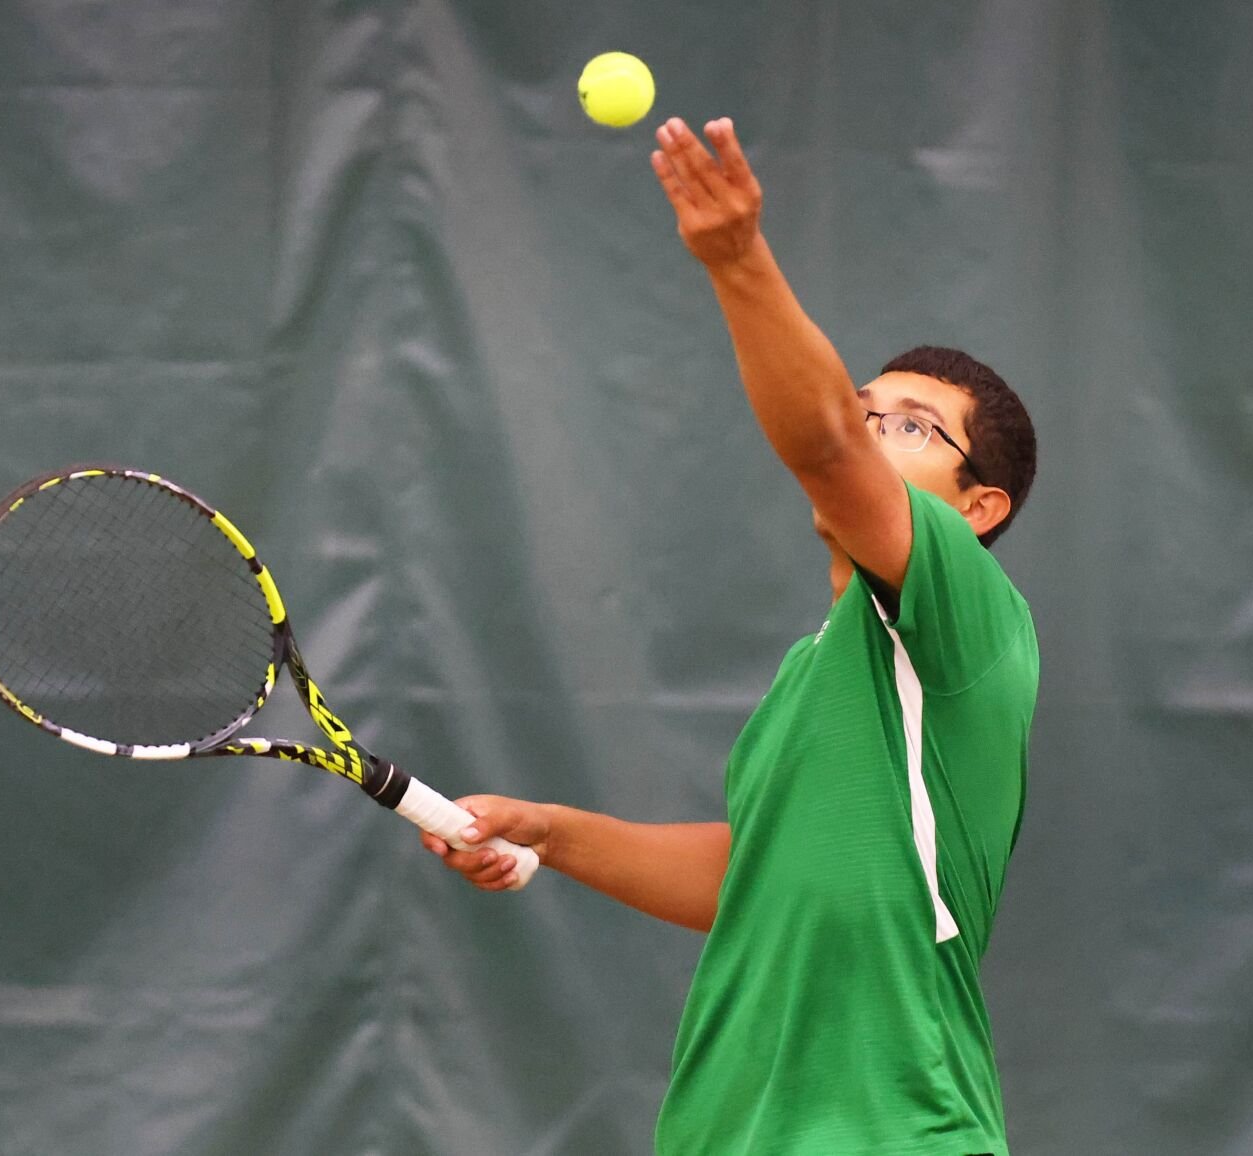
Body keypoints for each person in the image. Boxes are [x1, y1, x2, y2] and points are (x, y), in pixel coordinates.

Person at [422, 117, 1039, 1155]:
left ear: (976, 509)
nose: (870, 425)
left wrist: (737, 257)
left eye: (911, 424)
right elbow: (750, 877)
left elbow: (824, 443)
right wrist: (549, 830)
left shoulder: (972, 621)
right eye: (866, 406)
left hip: (895, 1132)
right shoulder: (814, 673)